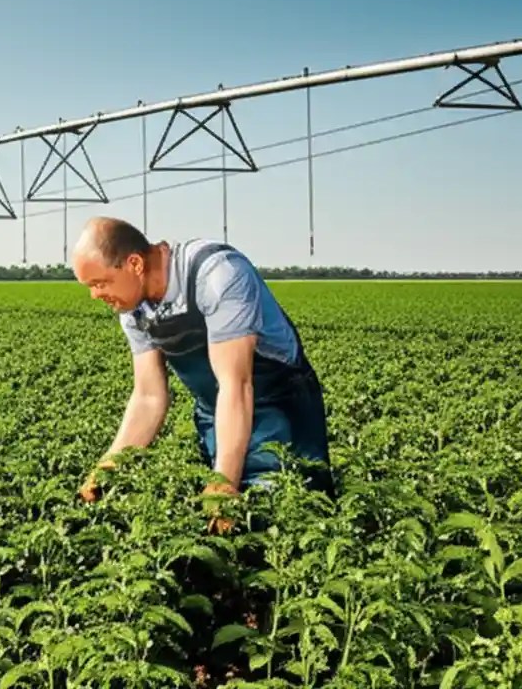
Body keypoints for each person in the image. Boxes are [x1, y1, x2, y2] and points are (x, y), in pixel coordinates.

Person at [70, 217, 335, 527]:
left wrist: (224, 480)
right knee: (226, 522)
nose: (95, 295)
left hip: (277, 401)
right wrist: (109, 464)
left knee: (293, 511)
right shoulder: (134, 310)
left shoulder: (217, 274)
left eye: (99, 283)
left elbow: (236, 383)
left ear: (134, 264)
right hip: (216, 410)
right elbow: (149, 397)